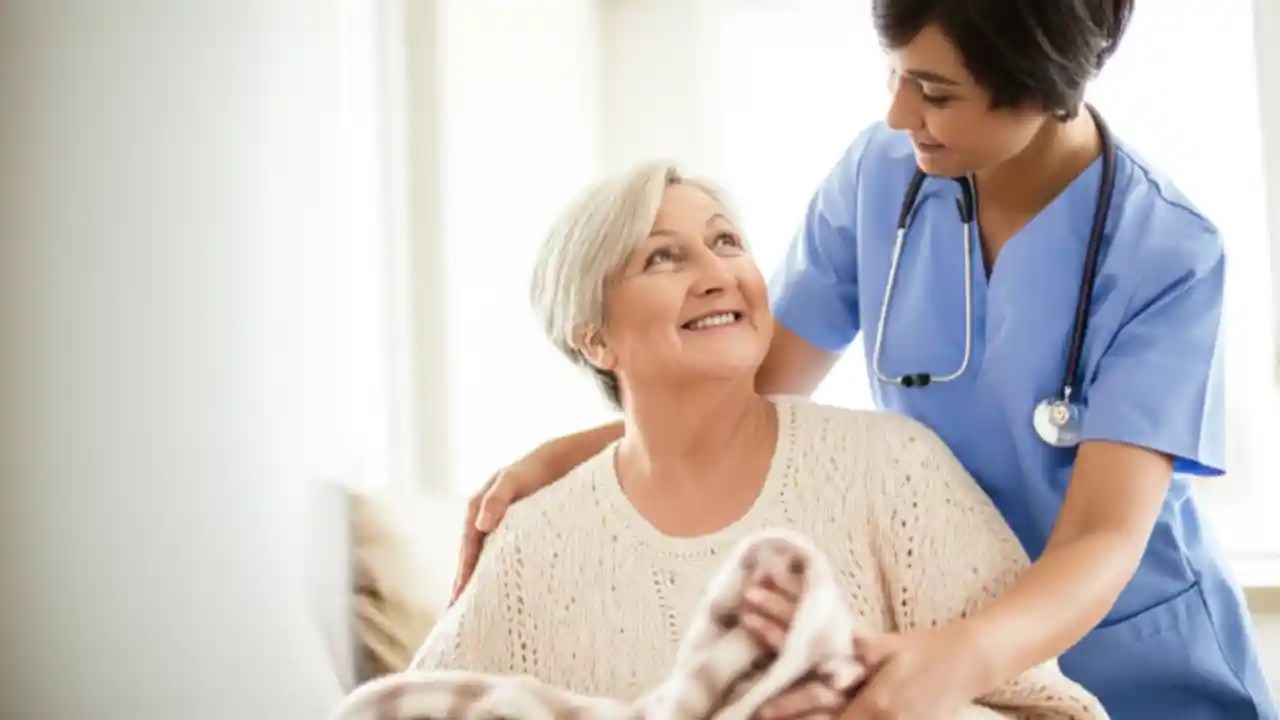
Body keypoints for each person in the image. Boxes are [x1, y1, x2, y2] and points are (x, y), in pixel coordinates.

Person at [451, 2, 1279, 719]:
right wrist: (585, 455)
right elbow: (747, 387)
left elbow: (1102, 537)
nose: (897, 113)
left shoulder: (1166, 252)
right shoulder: (883, 178)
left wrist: (955, 658)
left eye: (935, 92)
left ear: (1043, 82)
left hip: (1133, 651)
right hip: (951, 627)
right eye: (897, 73)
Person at [415, 161, 1106, 719]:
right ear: (595, 339)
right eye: (662, 257)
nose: (717, 274)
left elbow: (1049, 711)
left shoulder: (892, 469)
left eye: (726, 242)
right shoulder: (535, 543)